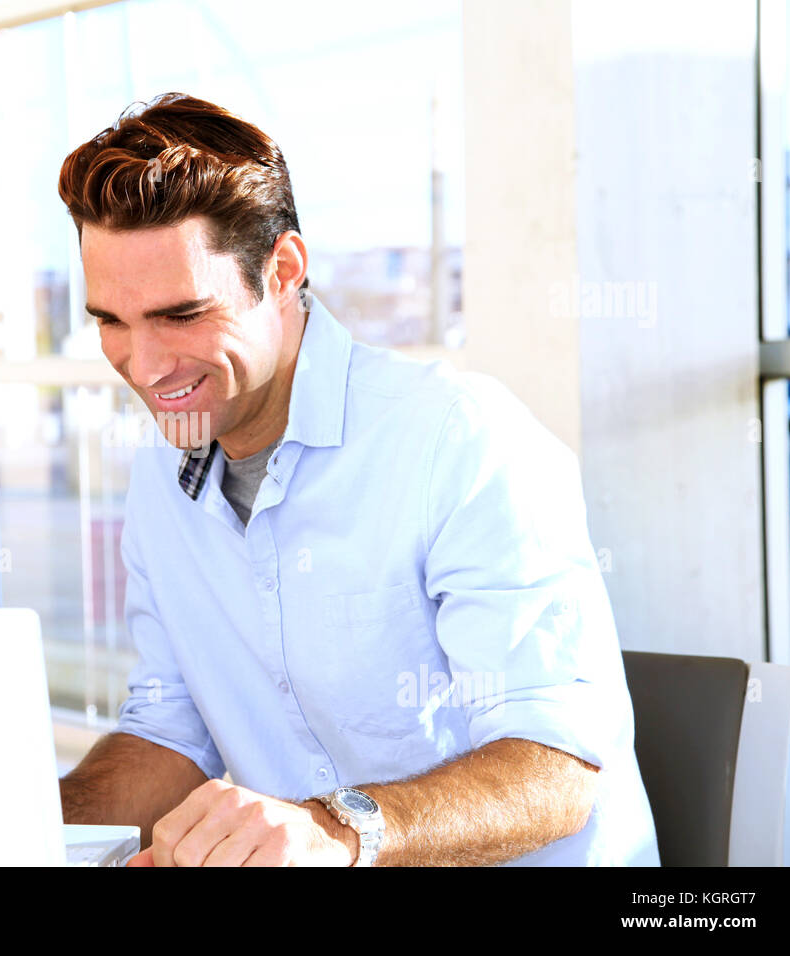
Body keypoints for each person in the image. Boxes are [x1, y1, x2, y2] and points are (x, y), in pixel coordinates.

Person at [55, 94, 659, 866]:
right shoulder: (157, 476)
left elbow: (557, 770)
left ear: (282, 272)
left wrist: (336, 830)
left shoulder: (459, 441)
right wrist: (16, 827)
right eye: (111, 320)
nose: (142, 367)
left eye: (181, 315)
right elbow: (172, 733)